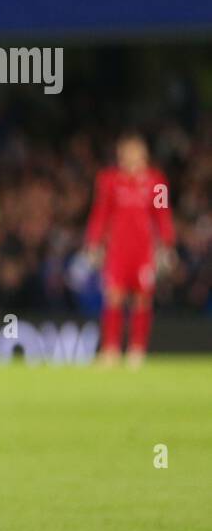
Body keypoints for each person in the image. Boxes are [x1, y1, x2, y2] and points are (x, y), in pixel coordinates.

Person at [85, 133, 175, 366]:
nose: (130, 157)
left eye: (134, 152)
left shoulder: (157, 182)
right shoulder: (109, 181)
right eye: (125, 152)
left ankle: (137, 350)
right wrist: (93, 242)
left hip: (143, 250)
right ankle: (111, 349)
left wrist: (166, 244)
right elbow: (101, 213)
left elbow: (162, 215)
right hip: (118, 250)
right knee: (113, 297)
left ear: (144, 154)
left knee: (142, 299)